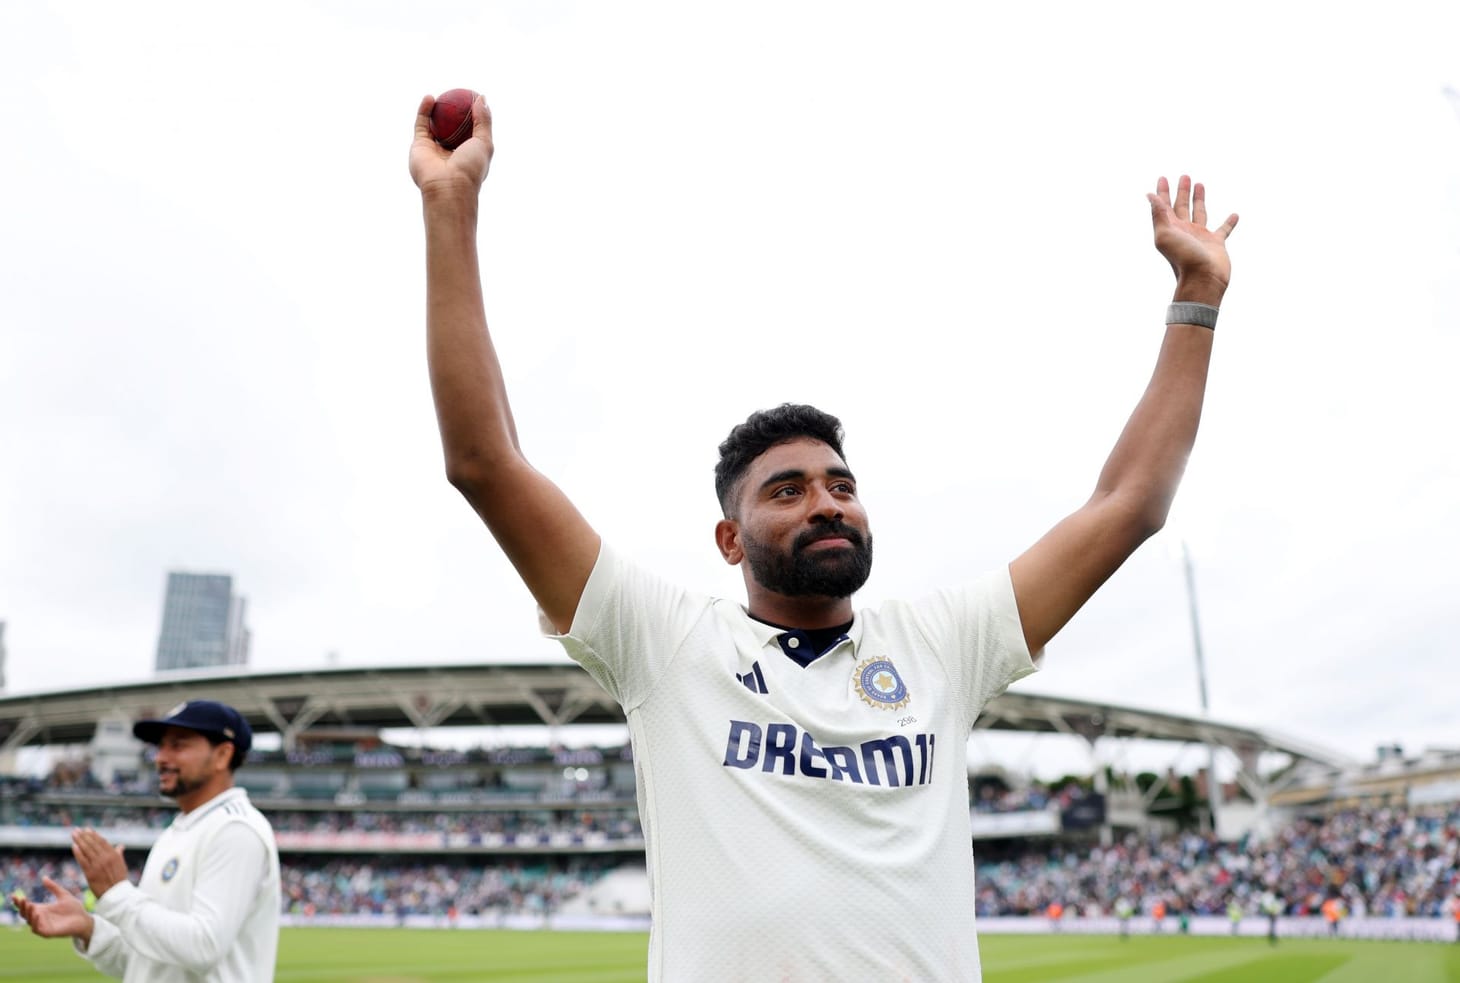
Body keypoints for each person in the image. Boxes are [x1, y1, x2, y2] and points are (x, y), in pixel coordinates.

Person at [409, 93, 1237, 981]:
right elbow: (484, 463)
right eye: (789, 490)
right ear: (729, 540)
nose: (827, 503)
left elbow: (1129, 503)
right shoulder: (664, 643)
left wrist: (1195, 298)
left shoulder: (942, 645)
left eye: (842, 484)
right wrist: (451, 206)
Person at [9, 701, 280, 982]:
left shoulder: (235, 829)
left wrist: (116, 893)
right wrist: (89, 928)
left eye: (178, 745)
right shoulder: (179, 831)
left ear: (223, 755)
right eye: (160, 746)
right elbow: (146, 962)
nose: (160, 757)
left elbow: (203, 947)